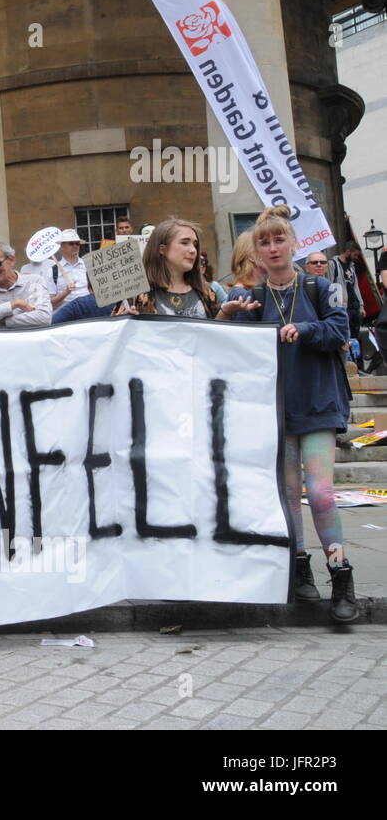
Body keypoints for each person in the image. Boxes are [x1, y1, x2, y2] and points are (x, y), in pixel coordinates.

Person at [232, 206, 357, 622]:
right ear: (255, 251)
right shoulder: (253, 298)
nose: (272, 247)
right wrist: (234, 319)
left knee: (320, 494)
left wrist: (303, 330)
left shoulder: (320, 287)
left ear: (294, 243)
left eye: (278, 239)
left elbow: (341, 331)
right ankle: (299, 569)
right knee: (286, 497)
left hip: (320, 405)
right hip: (278, 412)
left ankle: (341, 576)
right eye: (263, 242)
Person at [130, 218, 253, 320]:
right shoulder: (138, 294)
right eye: (184, 243)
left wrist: (225, 312)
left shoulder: (206, 292)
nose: (193, 250)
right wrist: (123, 320)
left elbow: (214, 335)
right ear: (162, 249)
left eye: (195, 244)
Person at [0, 242, 51, 328]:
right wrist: (14, 304)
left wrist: (3, 318)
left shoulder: (34, 282)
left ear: (12, 260)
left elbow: (44, 318)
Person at [55, 229, 89, 306]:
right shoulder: (53, 270)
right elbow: (51, 303)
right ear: (62, 246)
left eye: (77, 244)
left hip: (87, 311)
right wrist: (66, 292)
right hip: (66, 314)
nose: (75, 246)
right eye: (71, 243)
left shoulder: (87, 265)